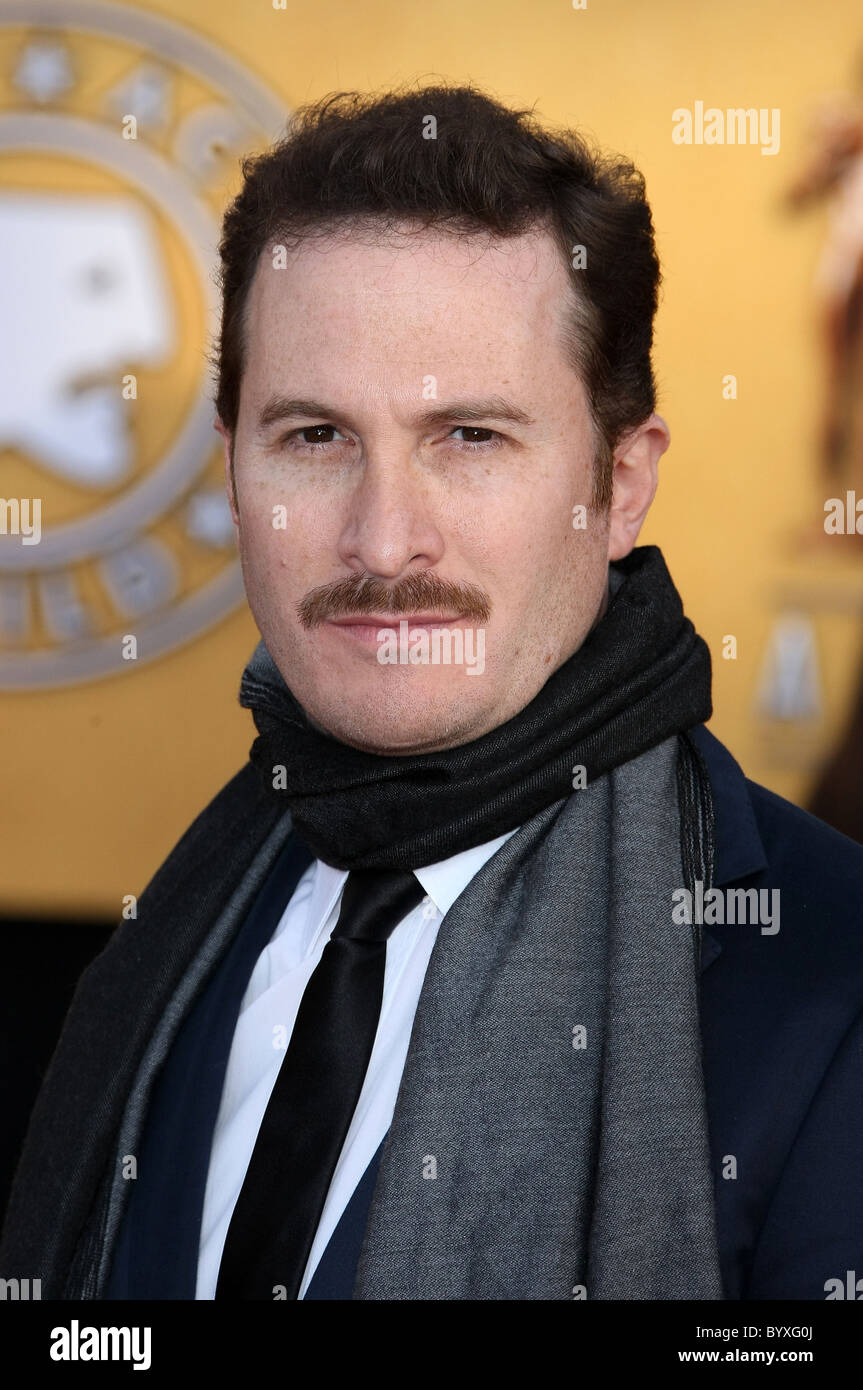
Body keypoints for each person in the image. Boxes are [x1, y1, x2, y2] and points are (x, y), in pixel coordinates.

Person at [2, 85, 862, 1303]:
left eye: (468, 437)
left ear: (619, 485)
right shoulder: (178, 934)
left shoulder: (829, 986)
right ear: (233, 471)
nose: (383, 540)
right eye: (315, 437)